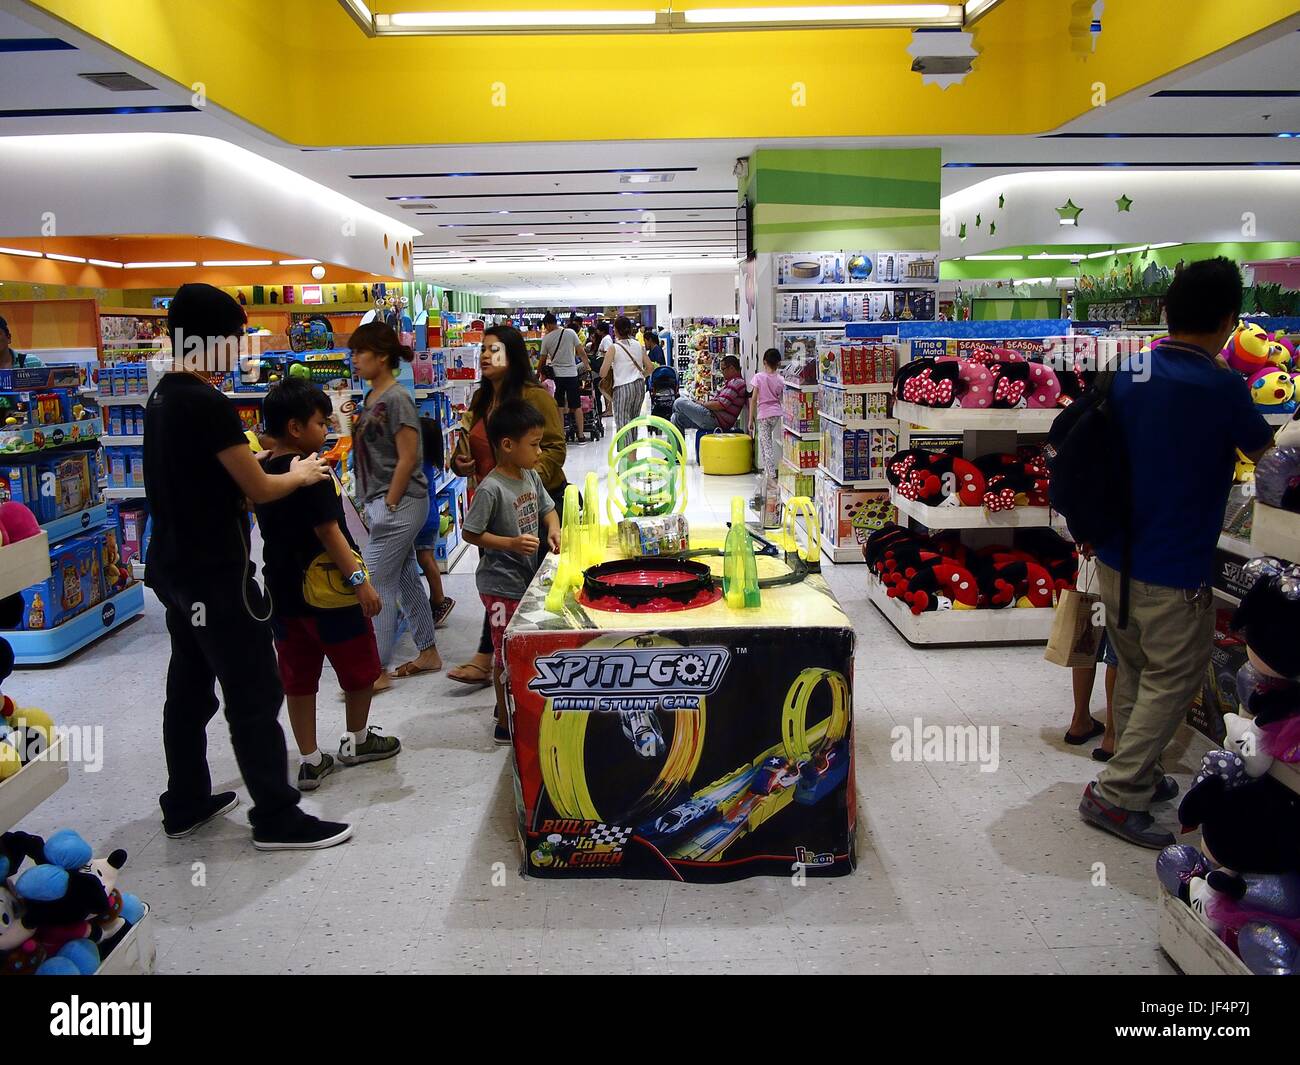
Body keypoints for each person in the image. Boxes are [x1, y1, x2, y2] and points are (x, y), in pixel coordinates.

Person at [145, 283, 351, 851]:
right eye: (236, 335)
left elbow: (199, 476)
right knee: (253, 691)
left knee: (188, 689)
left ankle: (184, 801)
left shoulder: (164, 397)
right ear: (210, 338)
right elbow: (260, 487)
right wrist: (303, 475)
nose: (241, 347)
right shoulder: (206, 403)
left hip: (173, 567)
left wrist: (251, 467)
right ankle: (277, 817)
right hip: (217, 570)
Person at [1079, 257, 1274, 849]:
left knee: (1135, 665)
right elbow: (1267, 457)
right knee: (1174, 676)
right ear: (1229, 322)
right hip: (1175, 564)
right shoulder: (1220, 385)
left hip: (1115, 555)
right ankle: (1116, 794)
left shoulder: (1128, 369)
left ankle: (1137, 777)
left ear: (1165, 310)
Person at [255, 379, 399, 792]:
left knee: (298, 676)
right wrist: (360, 582)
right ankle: (357, 740)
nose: (328, 427)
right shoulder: (313, 471)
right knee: (358, 669)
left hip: (282, 595)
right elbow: (329, 532)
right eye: (321, 421)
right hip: (330, 594)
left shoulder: (262, 472)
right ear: (297, 427)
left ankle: (310, 758)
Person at [446, 324, 566, 691]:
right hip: (492, 504)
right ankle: (496, 657)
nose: (484, 355)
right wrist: (459, 462)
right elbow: (468, 445)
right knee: (500, 579)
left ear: (512, 356)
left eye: (493, 349)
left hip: (534, 503)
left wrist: (522, 480)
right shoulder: (482, 399)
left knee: (524, 582)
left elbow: (556, 448)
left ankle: (509, 659)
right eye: (482, 349)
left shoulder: (535, 397)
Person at [461, 400, 561, 744]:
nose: (539, 451)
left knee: (518, 649)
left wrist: (554, 529)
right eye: (534, 445)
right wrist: (510, 544)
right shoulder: (491, 488)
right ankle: (505, 724)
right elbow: (470, 533)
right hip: (499, 584)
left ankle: (514, 705)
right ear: (507, 445)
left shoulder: (530, 475)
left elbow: (548, 509)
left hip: (524, 580)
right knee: (504, 653)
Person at [350, 321, 441, 691]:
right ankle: (428, 651)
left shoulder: (397, 398)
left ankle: (377, 669)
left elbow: (408, 458)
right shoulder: (371, 397)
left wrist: (388, 504)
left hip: (401, 504)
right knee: (403, 577)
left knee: (376, 584)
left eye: (361, 352)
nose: (354, 359)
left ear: (383, 357)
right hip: (381, 501)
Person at [671, 354, 749, 448]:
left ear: (732, 368)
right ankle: (676, 454)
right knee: (676, 418)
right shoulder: (730, 383)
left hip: (714, 420)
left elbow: (720, 404)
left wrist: (703, 404)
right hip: (711, 417)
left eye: (723, 369)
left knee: (679, 402)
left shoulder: (737, 383)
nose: (722, 372)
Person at [537, 312, 590, 441]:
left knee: (559, 405)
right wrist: (587, 366)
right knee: (576, 405)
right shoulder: (570, 333)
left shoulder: (547, 339)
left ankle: (561, 435)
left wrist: (537, 375)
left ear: (548, 325)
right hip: (572, 374)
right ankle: (581, 435)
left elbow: (542, 360)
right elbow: (581, 351)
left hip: (557, 376)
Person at [600, 315, 653, 433]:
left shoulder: (614, 348)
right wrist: (640, 375)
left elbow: (603, 373)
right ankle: (633, 451)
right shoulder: (638, 345)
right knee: (634, 424)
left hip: (622, 387)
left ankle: (626, 451)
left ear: (617, 330)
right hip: (639, 386)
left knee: (623, 426)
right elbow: (650, 367)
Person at [749, 348, 784, 508]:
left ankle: (771, 475)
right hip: (777, 414)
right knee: (766, 443)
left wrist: (751, 419)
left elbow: (754, 398)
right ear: (778, 363)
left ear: (764, 362)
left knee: (766, 444)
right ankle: (767, 472)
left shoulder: (759, 377)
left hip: (763, 415)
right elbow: (781, 398)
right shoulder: (780, 379)